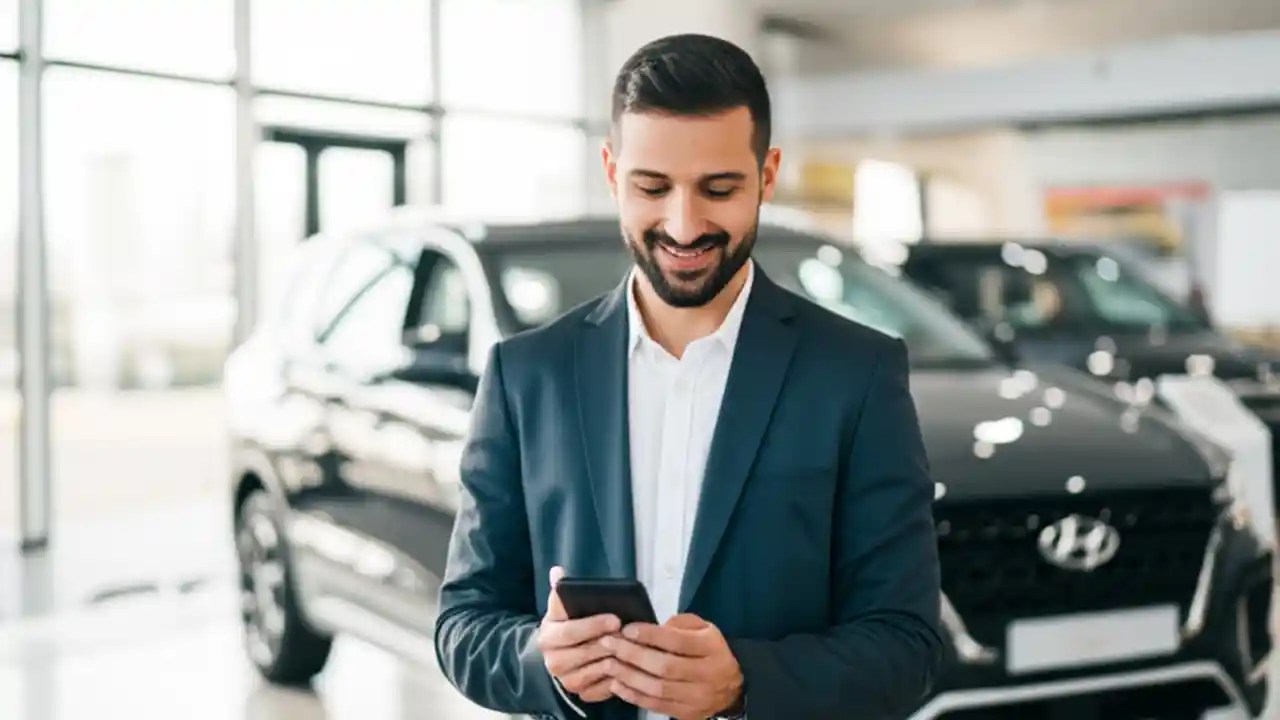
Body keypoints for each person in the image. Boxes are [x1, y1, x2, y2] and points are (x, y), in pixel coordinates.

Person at [434, 33, 942, 720]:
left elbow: (907, 647)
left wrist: (745, 683)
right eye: (652, 187)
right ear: (613, 173)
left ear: (766, 175)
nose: (683, 224)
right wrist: (542, 660)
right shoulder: (529, 375)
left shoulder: (857, 374)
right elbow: (464, 624)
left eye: (718, 188)